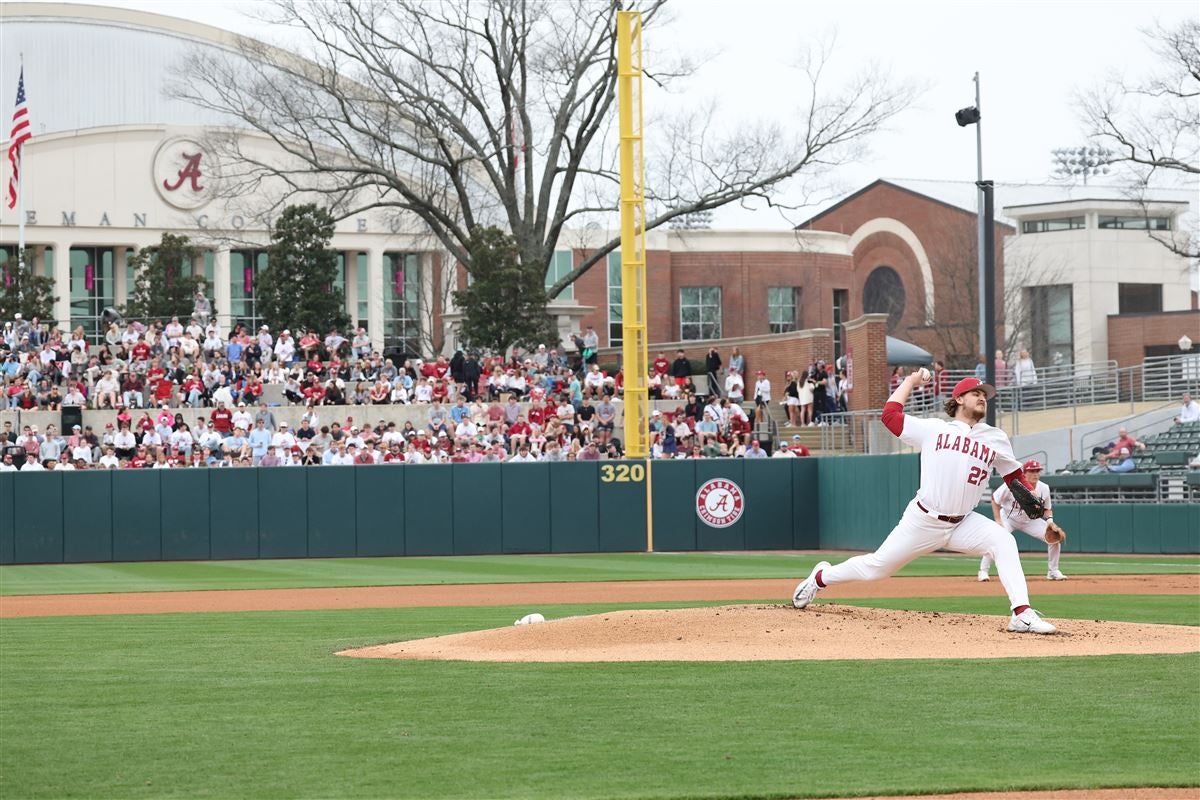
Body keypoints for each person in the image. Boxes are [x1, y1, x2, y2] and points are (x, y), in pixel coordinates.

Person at [790, 370, 1057, 635]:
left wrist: (1044, 517)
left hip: (963, 523)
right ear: (959, 399)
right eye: (976, 393)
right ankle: (819, 578)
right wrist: (910, 382)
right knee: (876, 569)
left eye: (985, 395)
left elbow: (1014, 477)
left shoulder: (995, 437)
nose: (982, 398)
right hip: (923, 520)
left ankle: (1021, 614)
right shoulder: (934, 429)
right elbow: (890, 416)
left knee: (1004, 541)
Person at [979, 459, 1066, 582]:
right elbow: (995, 499)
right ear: (1024, 473)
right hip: (1008, 518)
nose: (1035, 474)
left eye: (1037, 471)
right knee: (995, 539)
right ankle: (983, 571)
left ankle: (1053, 571)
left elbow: (1047, 509)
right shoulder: (1012, 484)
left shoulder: (1044, 488)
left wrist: (1050, 522)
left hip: (1031, 520)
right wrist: (998, 520)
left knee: (1054, 538)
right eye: (1032, 471)